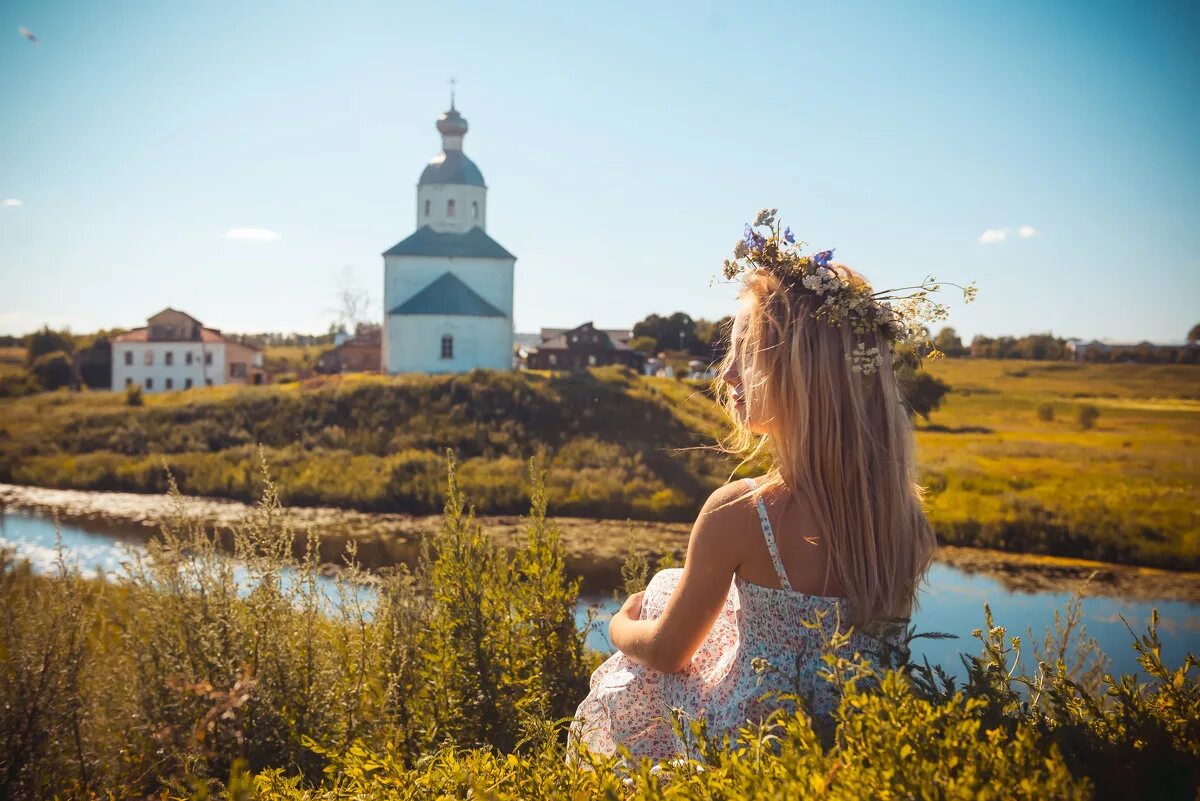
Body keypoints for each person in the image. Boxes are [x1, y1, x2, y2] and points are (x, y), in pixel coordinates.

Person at [569, 211, 949, 762]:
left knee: (652, 612)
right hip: (855, 737)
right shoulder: (899, 518)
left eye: (745, 355)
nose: (724, 376)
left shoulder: (744, 512)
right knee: (675, 586)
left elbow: (670, 652)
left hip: (752, 740)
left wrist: (620, 626)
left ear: (798, 376)